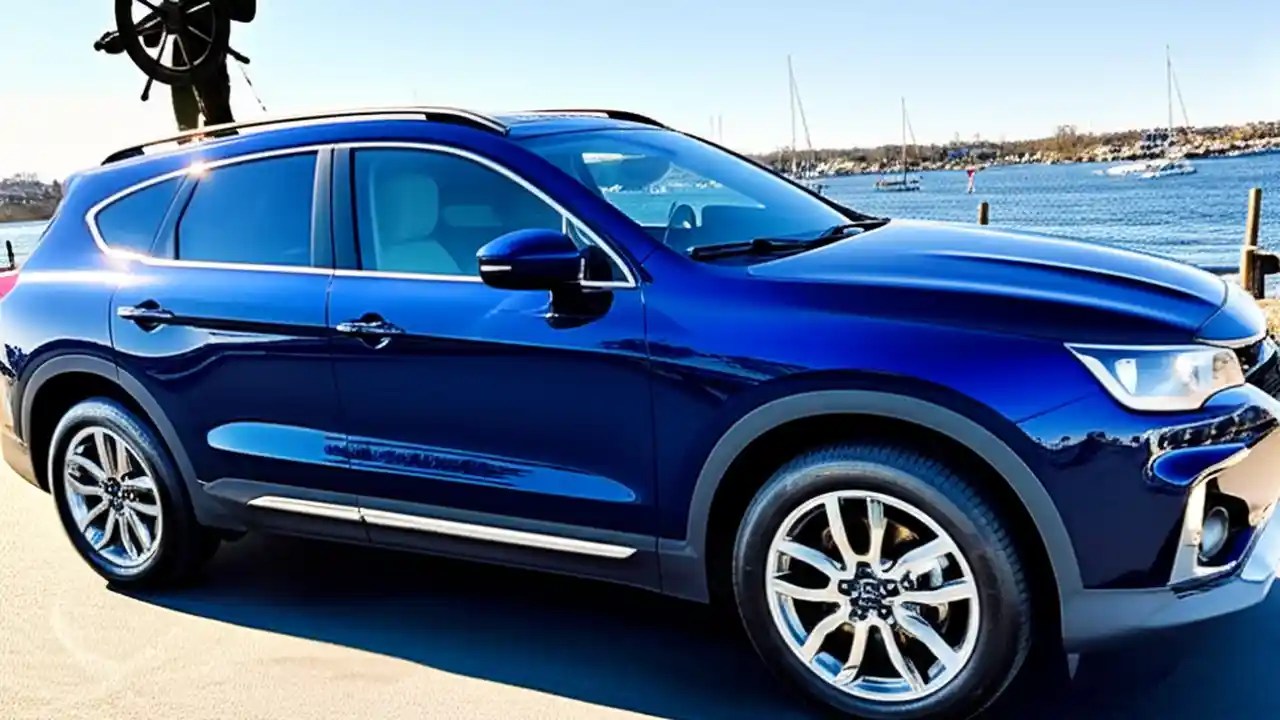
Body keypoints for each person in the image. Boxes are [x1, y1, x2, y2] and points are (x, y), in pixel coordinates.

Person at [95, 0, 256, 132]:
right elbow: (154, 36)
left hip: (208, 72)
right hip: (182, 74)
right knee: (188, 131)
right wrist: (129, 34)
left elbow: (246, 11)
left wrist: (129, 35)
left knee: (218, 124)